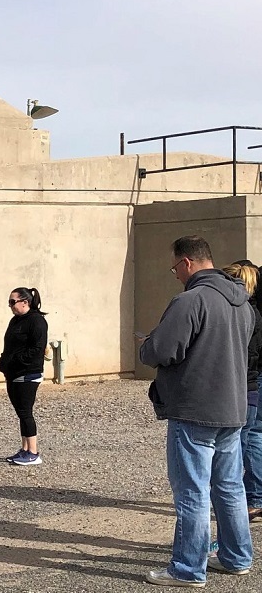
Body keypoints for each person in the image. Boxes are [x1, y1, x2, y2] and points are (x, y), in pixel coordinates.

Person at [139, 236, 254, 585]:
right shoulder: (243, 304)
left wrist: (148, 345)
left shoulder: (190, 300)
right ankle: (237, 557)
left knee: (192, 491)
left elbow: (163, 350)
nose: (176, 274)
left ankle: (188, 568)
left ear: (187, 262)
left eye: (176, 267)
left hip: (195, 408)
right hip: (233, 407)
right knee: (231, 487)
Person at [226, 261, 262, 523]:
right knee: (254, 436)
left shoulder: (246, 312)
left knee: (237, 443)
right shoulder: (252, 311)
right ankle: (256, 497)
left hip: (245, 383)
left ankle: (241, 503)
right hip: (254, 380)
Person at [0, 286, 48, 466]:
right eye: (9, 302)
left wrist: (15, 361)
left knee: (26, 412)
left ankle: (33, 452)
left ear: (25, 302)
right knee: (20, 412)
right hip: (12, 373)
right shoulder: (15, 321)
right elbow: (9, 346)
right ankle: (25, 448)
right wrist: (3, 362)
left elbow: (36, 349)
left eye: (13, 302)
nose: (10, 306)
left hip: (28, 373)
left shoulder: (37, 321)